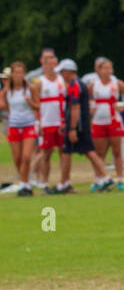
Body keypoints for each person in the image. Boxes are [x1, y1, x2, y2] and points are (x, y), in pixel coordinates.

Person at [58, 58, 107, 193]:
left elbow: (75, 108)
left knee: (83, 151)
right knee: (75, 152)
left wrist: (72, 128)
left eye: (62, 72)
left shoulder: (74, 85)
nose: (62, 75)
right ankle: (64, 183)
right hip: (79, 124)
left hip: (78, 126)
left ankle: (64, 183)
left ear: (68, 72)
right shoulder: (79, 84)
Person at [88, 57, 124, 188]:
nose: (108, 71)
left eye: (110, 68)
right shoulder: (94, 85)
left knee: (117, 151)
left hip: (113, 120)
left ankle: (119, 179)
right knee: (99, 153)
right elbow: (86, 98)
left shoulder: (117, 83)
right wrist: (91, 107)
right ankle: (98, 179)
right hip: (98, 121)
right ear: (99, 70)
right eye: (105, 68)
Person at [32, 49, 68, 193]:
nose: (52, 67)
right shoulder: (39, 83)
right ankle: (45, 183)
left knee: (64, 153)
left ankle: (63, 182)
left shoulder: (62, 81)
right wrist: (37, 123)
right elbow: (35, 105)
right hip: (46, 123)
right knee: (46, 154)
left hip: (61, 123)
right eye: (49, 63)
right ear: (44, 64)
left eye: (54, 64)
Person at [5, 60, 38, 195]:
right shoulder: (7, 90)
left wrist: (30, 102)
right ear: (12, 74)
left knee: (26, 157)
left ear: (24, 74)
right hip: (14, 126)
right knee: (17, 158)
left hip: (28, 125)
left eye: (20, 72)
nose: (18, 75)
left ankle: (25, 185)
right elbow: (7, 107)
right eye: (15, 72)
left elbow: (38, 106)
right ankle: (24, 184)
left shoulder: (31, 88)